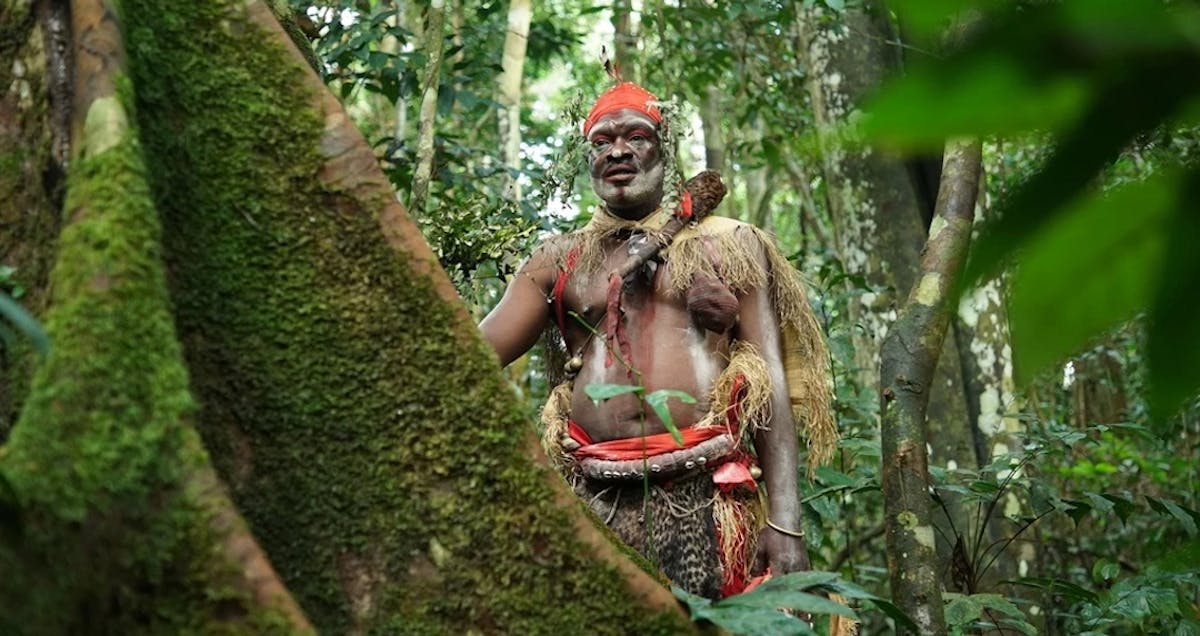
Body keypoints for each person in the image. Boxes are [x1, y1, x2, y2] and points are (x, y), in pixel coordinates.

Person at [480, 81, 836, 600]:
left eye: (635, 137)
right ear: (588, 158)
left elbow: (769, 386)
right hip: (591, 494)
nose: (618, 151)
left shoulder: (728, 245)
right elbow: (472, 355)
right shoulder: (559, 259)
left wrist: (785, 521)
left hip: (707, 495)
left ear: (663, 149)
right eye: (602, 141)